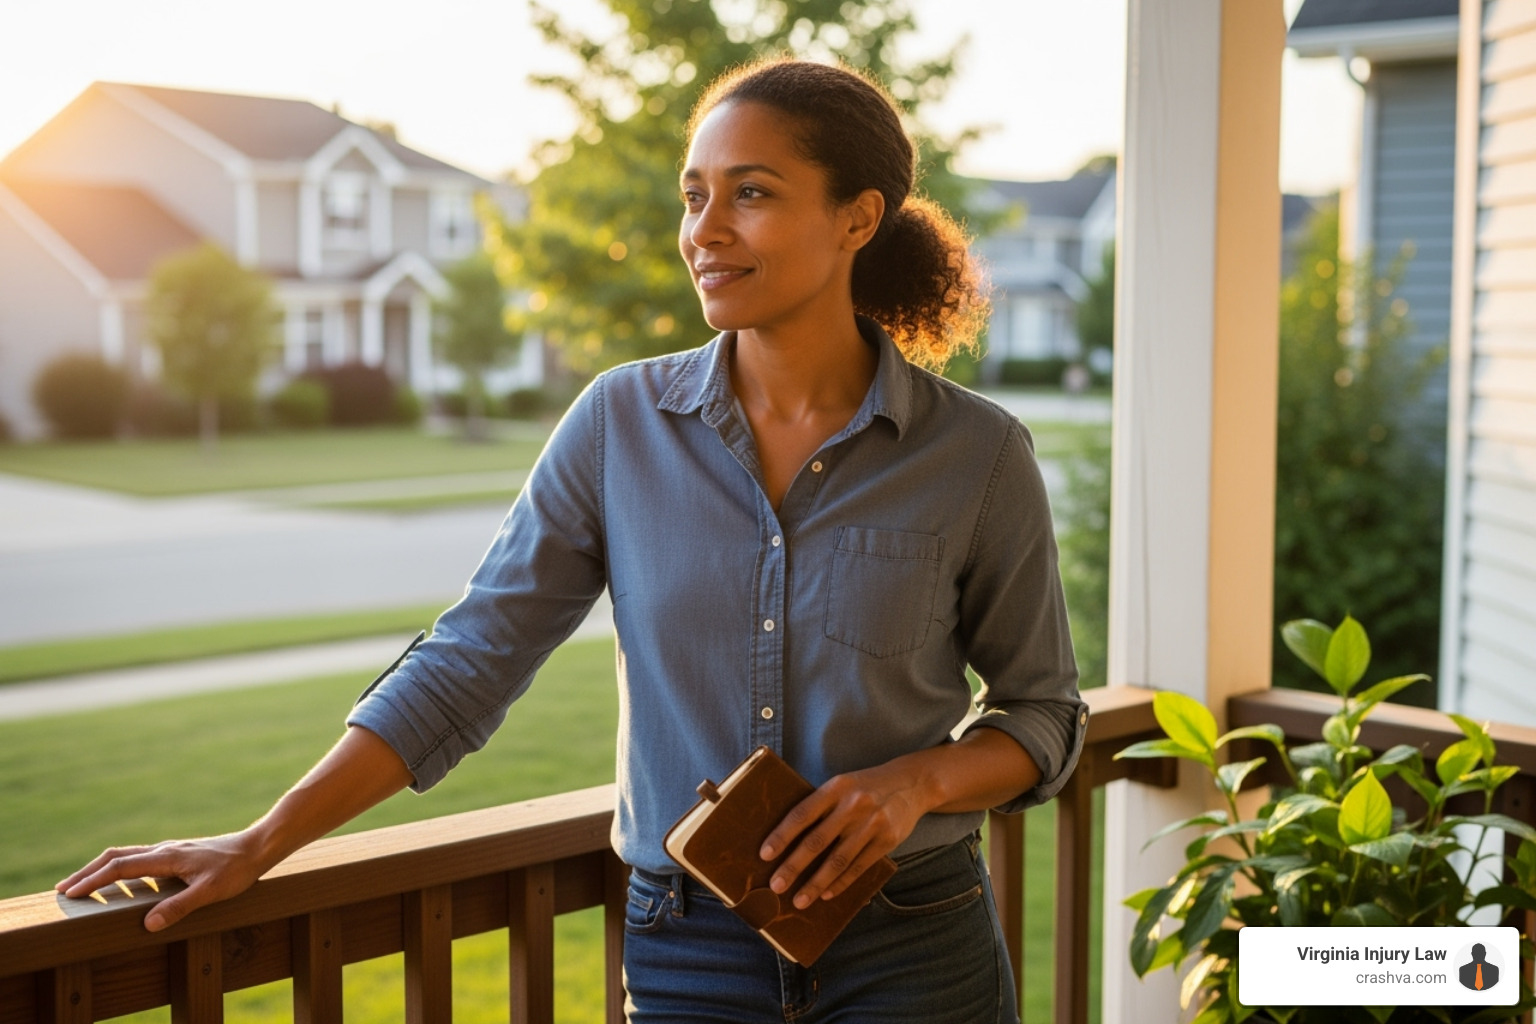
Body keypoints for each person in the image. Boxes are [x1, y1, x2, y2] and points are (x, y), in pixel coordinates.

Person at [59, 58, 1086, 1022]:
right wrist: (260, 840)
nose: (705, 230)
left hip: (913, 942)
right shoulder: (617, 424)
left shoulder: (977, 454)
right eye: (694, 195)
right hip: (692, 949)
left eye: (752, 193)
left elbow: (1043, 714)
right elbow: (472, 659)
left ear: (858, 217)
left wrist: (916, 782)